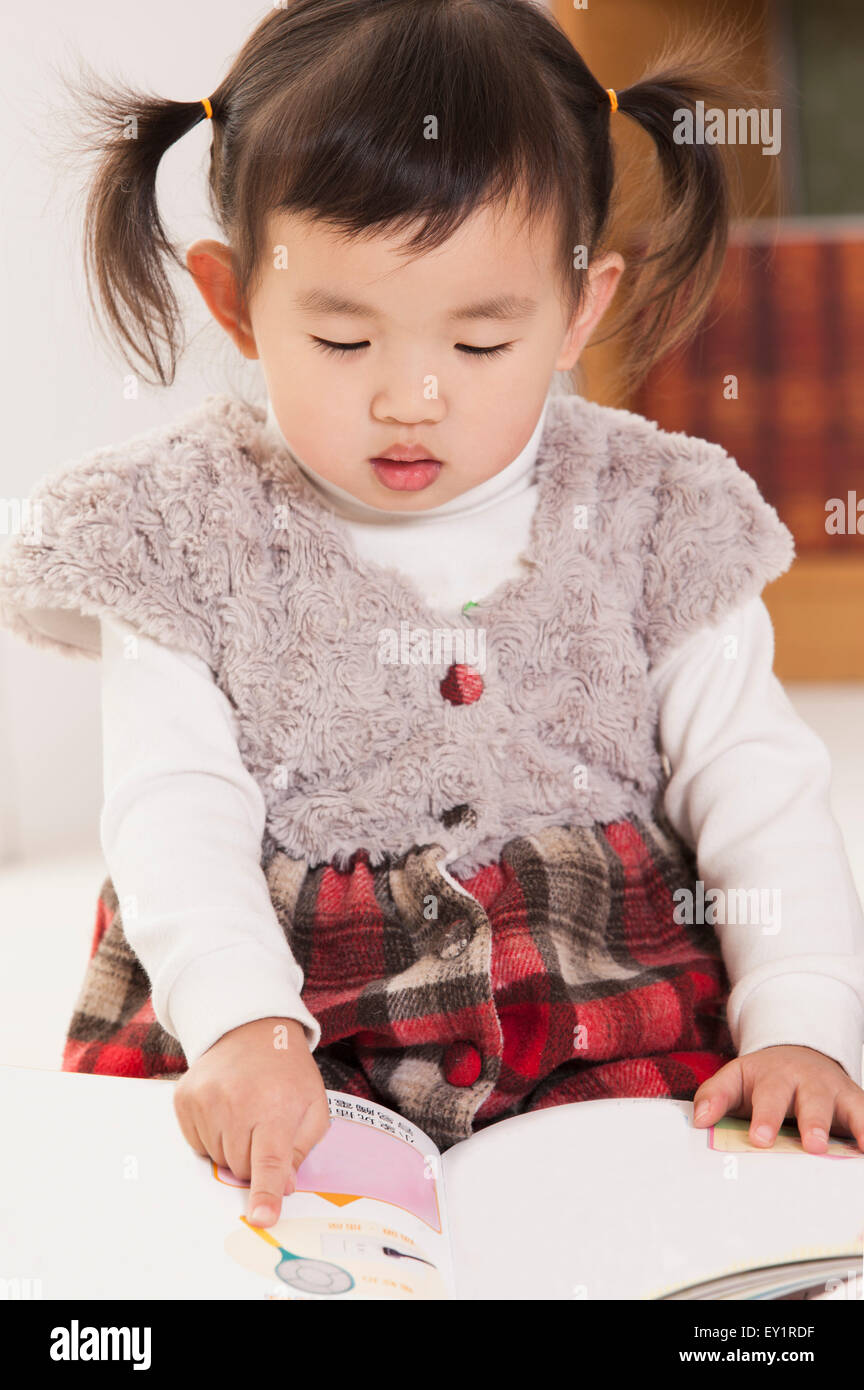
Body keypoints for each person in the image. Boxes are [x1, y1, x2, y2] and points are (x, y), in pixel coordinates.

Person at [1, 1, 862, 1234]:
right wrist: (242, 1026)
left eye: (481, 338)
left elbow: (762, 797)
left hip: (591, 999)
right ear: (237, 300)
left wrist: (806, 1027)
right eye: (343, 336)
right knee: (189, 1227)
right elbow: (172, 806)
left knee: (671, 1227)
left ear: (579, 308)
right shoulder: (179, 528)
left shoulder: (656, 512)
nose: (413, 397)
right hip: (286, 1010)